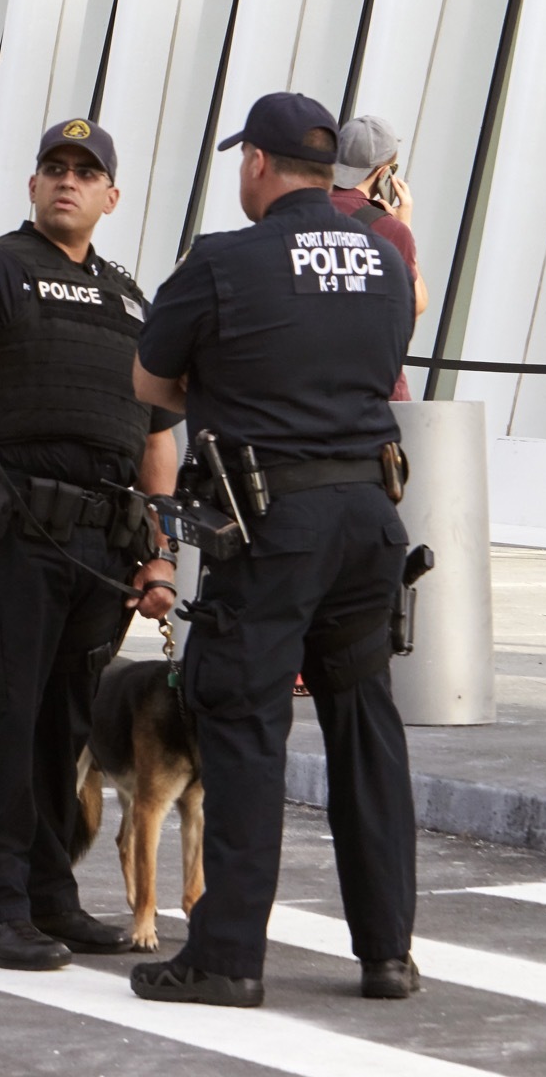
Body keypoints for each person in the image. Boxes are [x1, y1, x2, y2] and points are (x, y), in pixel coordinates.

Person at [130, 91, 417, 1010]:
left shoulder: (221, 261)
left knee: (246, 732)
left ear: (256, 162)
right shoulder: (381, 256)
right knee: (366, 729)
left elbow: (151, 384)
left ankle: (226, 960)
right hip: (369, 519)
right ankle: (388, 954)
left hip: (274, 527)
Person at [0, 121, 179, 972]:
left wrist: (161, 551)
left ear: (111, 196)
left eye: (85, 172)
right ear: (32, 187)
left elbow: (159, 433)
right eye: (54, 170)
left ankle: (50, 898)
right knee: (1, 723)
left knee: (66, 733)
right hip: (11, 535)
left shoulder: (132, 297)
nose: (68, 182)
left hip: (102, 547)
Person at [332, 115, 428, 398]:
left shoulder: (298, 209)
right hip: (371, 393)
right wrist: (405, 225)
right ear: (384, 173)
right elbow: (416, 304)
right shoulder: (389, 229)